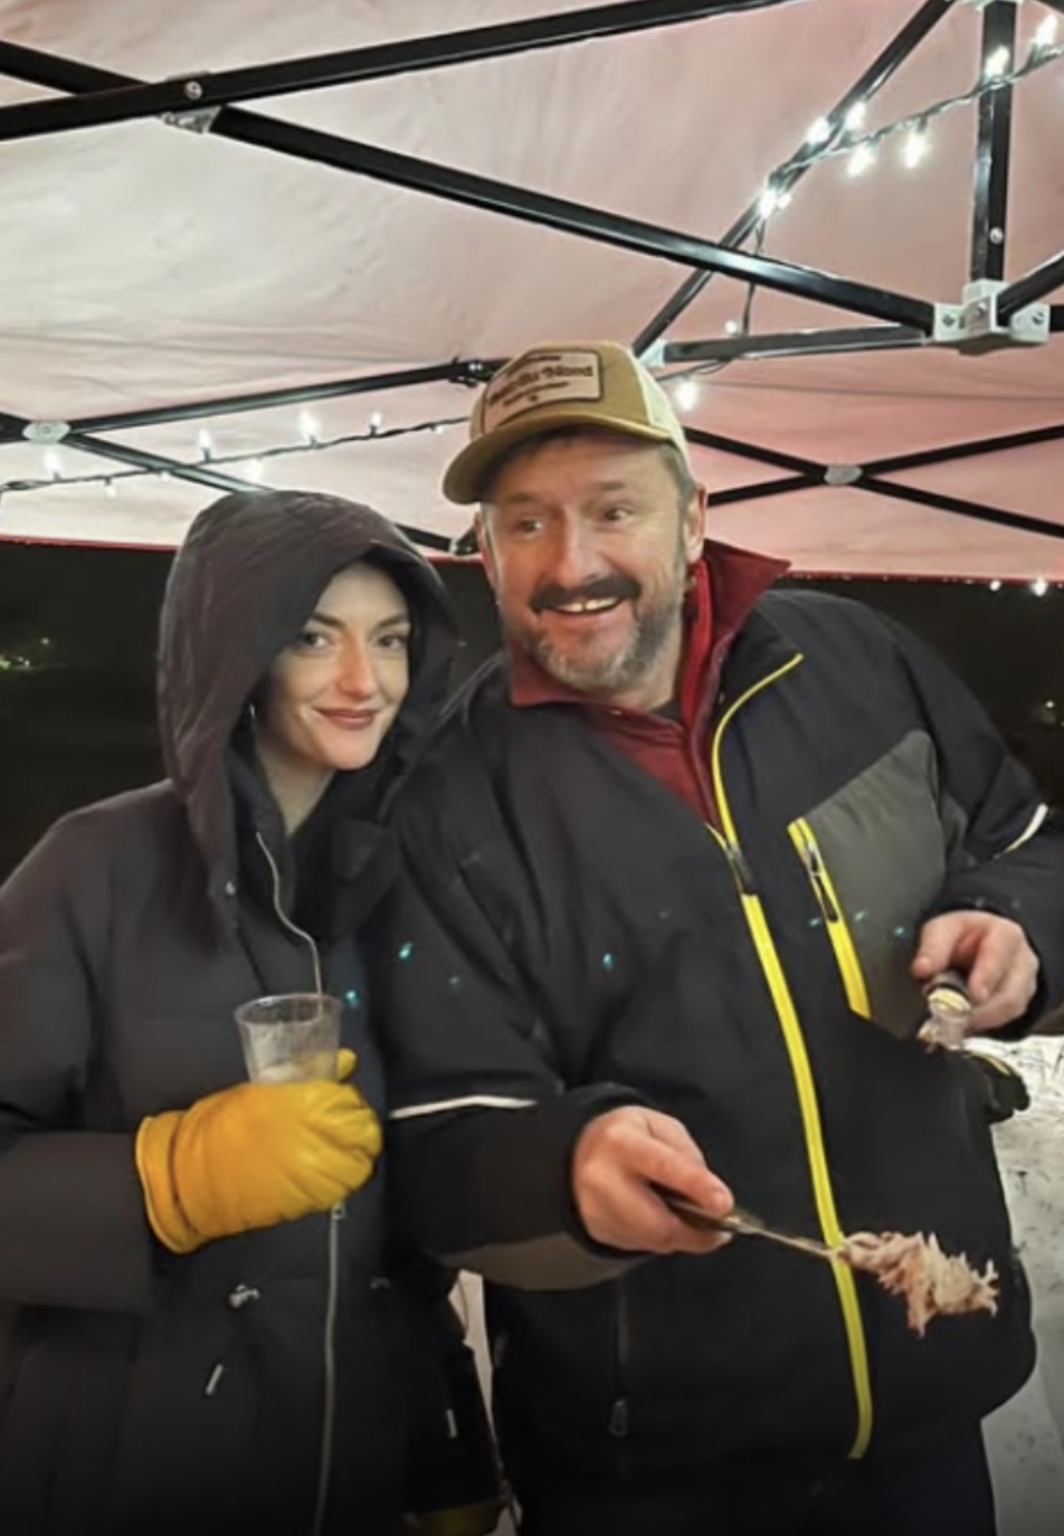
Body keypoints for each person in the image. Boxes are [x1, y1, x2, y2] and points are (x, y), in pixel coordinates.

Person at [373, 340, 1064, 1536]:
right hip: (648, 1469)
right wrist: (563, 1172)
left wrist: (1017, 927)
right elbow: (430, 1136)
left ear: (695, 518)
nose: (571, 563)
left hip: (925, 1407)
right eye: (525, 524)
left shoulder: (856, 662)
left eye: (613, 510)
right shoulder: (443, 799)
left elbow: (1036, 844)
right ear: (482, 552)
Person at [0, 489, 502, 1536]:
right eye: (312, 637)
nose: (361, 680)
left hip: (339, 1486)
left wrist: (449, 1454)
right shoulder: (99, 870)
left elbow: (395, 1246)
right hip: (99, 1478)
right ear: (234, 652)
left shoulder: (399, 892)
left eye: (389, 641)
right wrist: (166, 1184)